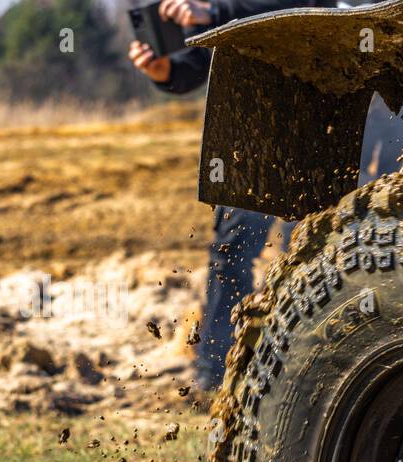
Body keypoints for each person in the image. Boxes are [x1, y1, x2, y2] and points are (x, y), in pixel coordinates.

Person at [129, 0, 335, 390]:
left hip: (319, 128)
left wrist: (215, 13)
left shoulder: (225, 6)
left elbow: (309, 8)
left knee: (310, 252)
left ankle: (315, 368)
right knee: (232, 253)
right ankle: (216, 370)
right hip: (251, 135)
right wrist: (165, 72)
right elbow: (206, 60)